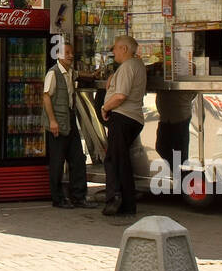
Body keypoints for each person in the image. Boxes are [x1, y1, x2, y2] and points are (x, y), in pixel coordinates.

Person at [99, 35, 145, 216]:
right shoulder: (137, 65)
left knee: (114, 160)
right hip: (133, 118)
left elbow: (120, 96)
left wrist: (105, 107)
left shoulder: (127, 67)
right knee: (120, 160)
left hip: (123, 117)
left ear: (124, 49)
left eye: (116, 48)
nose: (113, 51)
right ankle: (126, 202)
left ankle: (117, 200)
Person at [42, 42, 90, 208]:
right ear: (58, 55)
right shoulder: (53, 73)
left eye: (72, 52)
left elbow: (79, 74)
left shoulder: (69, 72)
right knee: (57, 161)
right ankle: (58, 198)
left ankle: (78, 196)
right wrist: (52, 121)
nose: (71, 55)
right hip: (58, 121)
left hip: (69, 119)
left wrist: (94, 74)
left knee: (77, 158)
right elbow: (46, 96)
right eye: (67, 53)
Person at [149, 63, 193, 188]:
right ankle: (183, 176)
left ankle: (184, 179)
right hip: (166, 116)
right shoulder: (161, 67)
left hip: (180, 116)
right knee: (161, 147)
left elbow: (193, 90)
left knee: (180, 151)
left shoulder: (186, 66)